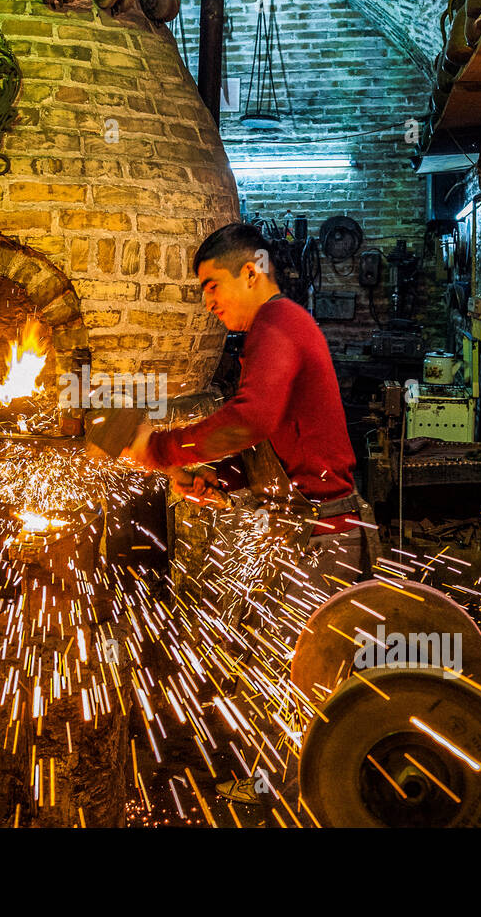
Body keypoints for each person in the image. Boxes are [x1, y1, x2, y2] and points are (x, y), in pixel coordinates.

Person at [122, 221, 365, 805]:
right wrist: (218, 477)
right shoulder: (281, 327)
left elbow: (250, 418)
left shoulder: (277, 325)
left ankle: (295, 797)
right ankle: (299, 786)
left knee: (302, 672)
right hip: (314, 521)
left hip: (323, 528)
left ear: (250, 272)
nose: (208, 303)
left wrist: (158, 449)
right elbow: (277, 435)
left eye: (211, 286)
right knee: (288, 662)